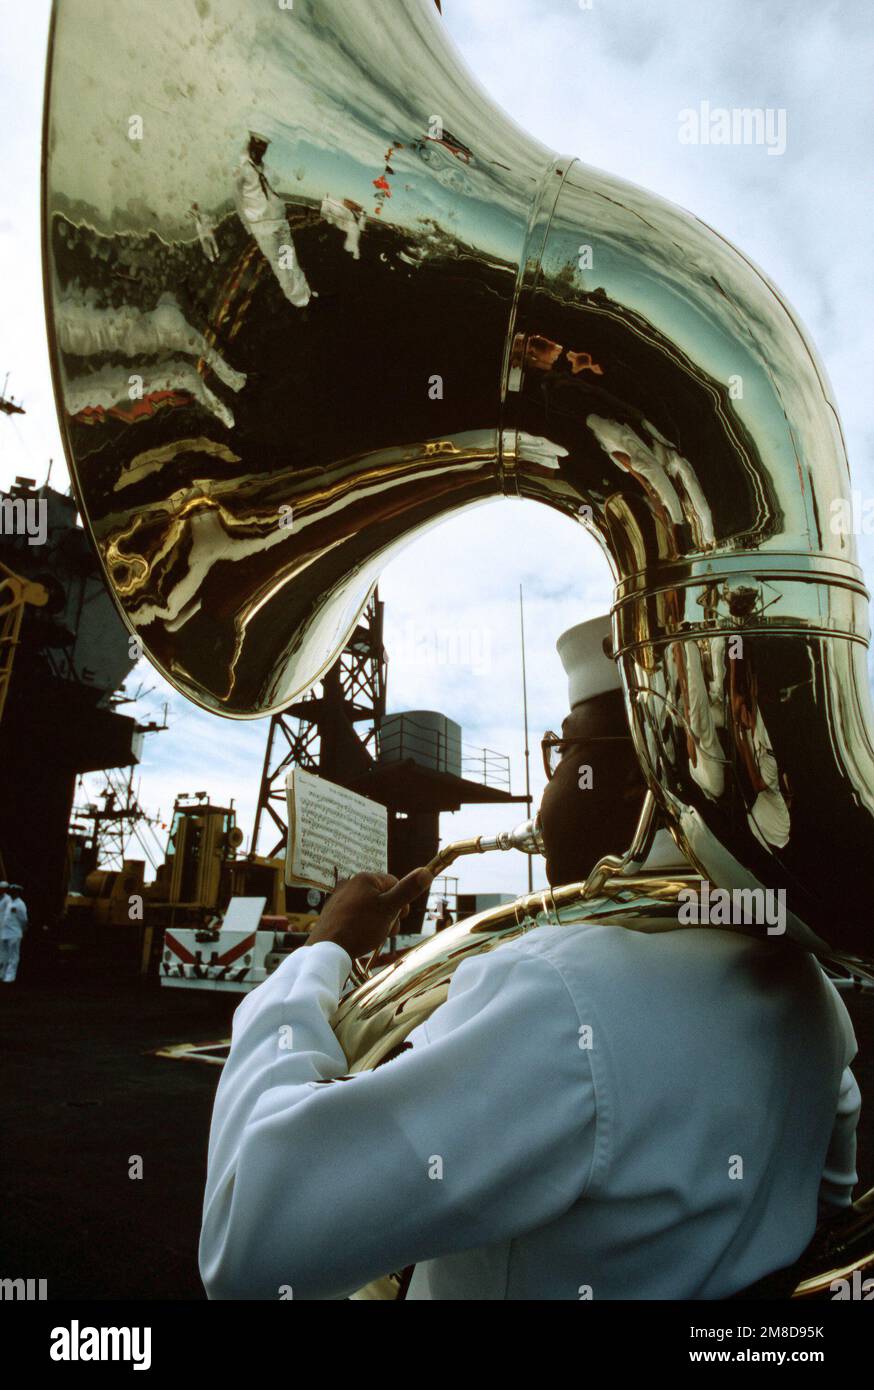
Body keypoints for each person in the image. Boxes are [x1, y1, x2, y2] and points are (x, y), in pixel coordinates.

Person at [200, 615, 859, 1300]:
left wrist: (324, 950)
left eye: (566, 752)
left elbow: (248, 1246)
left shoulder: (557, 993)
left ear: (648, 784)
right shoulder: (813, 991)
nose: (549, 791)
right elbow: (829, 1202)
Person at [234, 131, 314, 309]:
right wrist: (249, 227)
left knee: (289, 259)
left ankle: (304, 291)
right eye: (258, 145)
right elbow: (238, 200)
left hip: (279, 222)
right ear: (251, 144)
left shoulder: (264, 168)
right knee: (280, 265)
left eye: (264, 146)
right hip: (263, 227)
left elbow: (276, 186)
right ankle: (296, 297)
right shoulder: (242, 170)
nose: (261, 150)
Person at [0, 883, 28, 984]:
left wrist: (23, 930)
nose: (13, 893)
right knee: (4, 955)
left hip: (14, 933)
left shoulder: (20, 904)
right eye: (12, 892)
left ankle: (10, 977)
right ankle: (2, 974)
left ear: (18, 893)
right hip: (5, 933)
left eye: (15, 892)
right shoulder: (9, 902)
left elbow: (24, 920)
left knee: (13, 956)